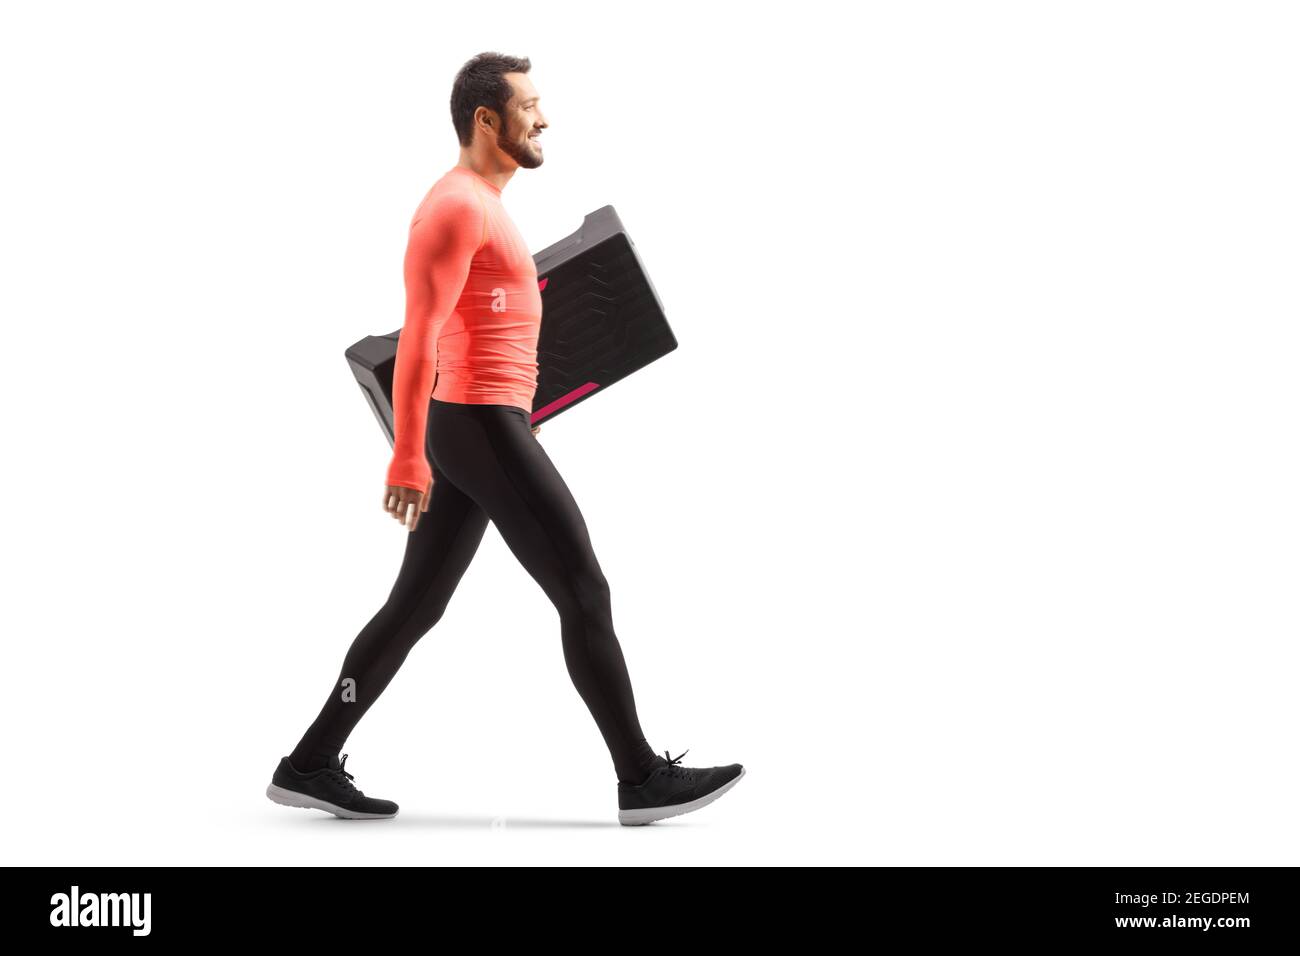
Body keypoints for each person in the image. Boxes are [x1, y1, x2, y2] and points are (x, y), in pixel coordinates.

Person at [266, 52, 744, 826]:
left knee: (415, 607)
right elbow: (418, 338)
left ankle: (309, 761)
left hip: (481, 421)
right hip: (478, 422)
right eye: (529, 106)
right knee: (583, 589)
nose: (544, 118)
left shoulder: (485, 204)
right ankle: (640, 778)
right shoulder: (455, 206)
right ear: (486, 119)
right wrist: (409, 454)